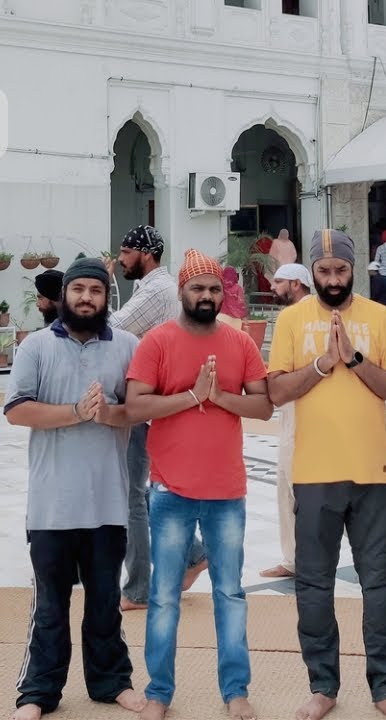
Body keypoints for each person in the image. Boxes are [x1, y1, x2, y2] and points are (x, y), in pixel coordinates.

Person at [268, 229, 386, 720]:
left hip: (373, 471)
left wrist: (353, 358)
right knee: (313, 585)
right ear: (311, 271)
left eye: (341, 271)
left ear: (356, 269)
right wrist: (323, 363)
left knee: (379, 584)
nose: (333, 280)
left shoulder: (379, 318)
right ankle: (323, 686)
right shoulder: (291, 320)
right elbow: (277, 393)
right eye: (324, 271)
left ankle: (384, 687)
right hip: (313, 473)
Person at [125, 249, 272, 720]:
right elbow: (135, 407)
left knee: (230, 593)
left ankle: (236, 690)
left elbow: (263, 407)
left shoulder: (239, 344)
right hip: (170, 491)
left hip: (227, 492)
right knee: (165, 596)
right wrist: (191, 397)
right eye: (197, 288)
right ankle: (158, 693)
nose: (206, 295)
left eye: (213, 288)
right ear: (182, 292)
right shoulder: (157, 342)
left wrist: (220, 397)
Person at [3, 258, 145, 720]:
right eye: (78, 289)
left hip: (108, 502)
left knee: (106, 602)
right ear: (64, 295)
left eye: (96, 291)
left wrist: (108, 414)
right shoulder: (36, 347)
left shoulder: (127, 346)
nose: (86, 298)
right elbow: (17, 411)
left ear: (107, 298)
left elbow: (140, 411)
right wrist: (77, 413)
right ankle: (38, 693)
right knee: (50, 604)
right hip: (52, 505)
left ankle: (112, 683)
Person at [107, 225, 208, 611]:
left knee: (133, 495)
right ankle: (193, 553)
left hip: (149, 405)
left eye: (124, 251)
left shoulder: (154, 290)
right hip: (156, 404)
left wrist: (102, 281)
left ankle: (139, 588)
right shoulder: (152, 288)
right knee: (146, 492)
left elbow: (111, 328)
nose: (120, 258)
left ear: (144, 253)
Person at [259, 263, 313, 579]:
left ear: (295, 284)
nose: (273, 287)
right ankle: (294, 560)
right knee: (286, 484)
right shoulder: (297, 314)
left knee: (296, 487)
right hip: (292, 408)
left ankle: (304, 562)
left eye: (278, 282)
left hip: (301, 408)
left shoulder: (300, 316)